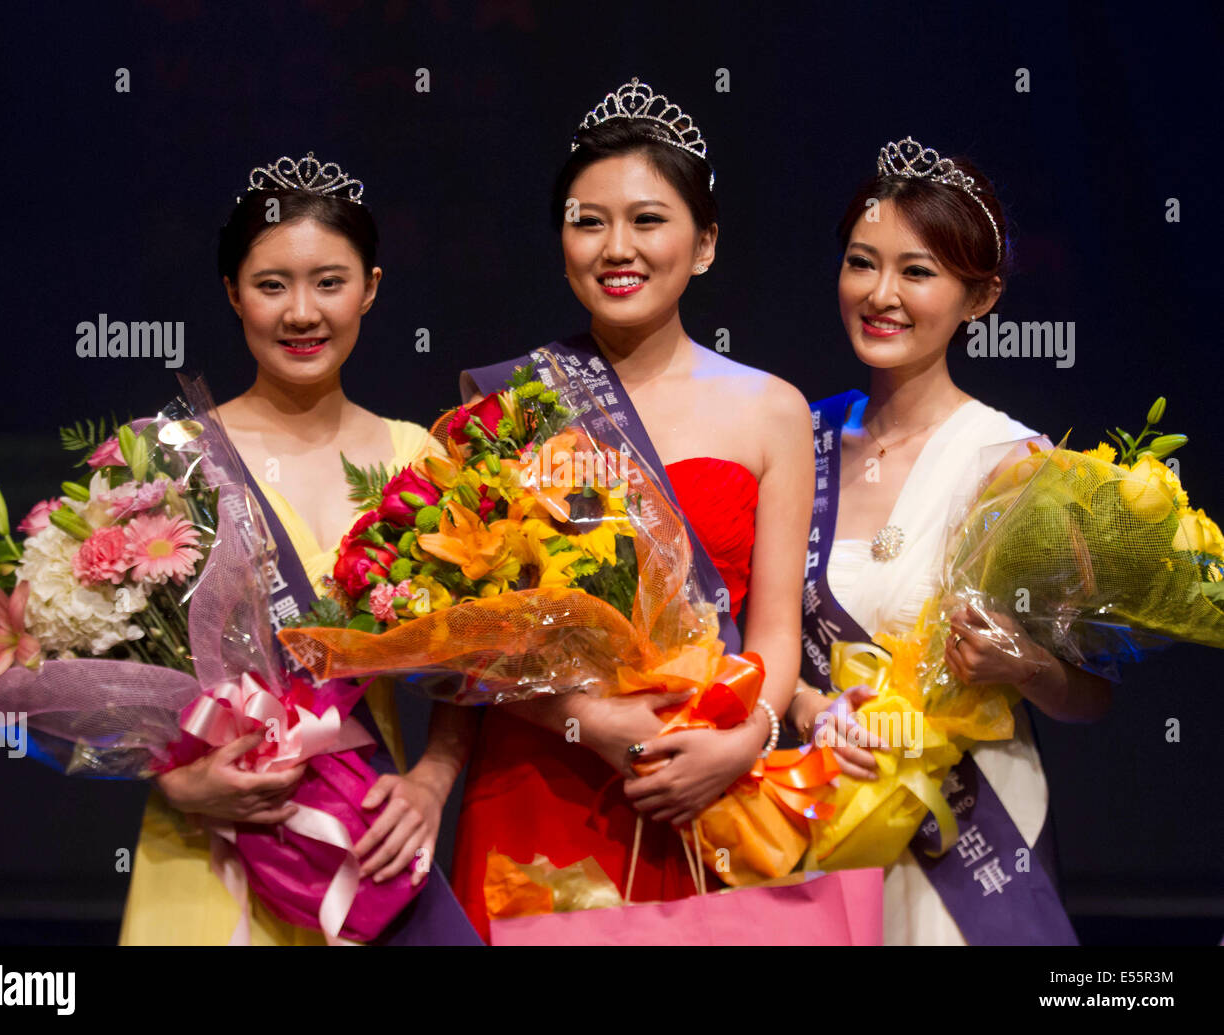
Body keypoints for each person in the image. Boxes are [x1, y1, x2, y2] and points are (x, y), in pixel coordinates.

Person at [447, 78, 816, 941]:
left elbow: (775, 639)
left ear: (706, 243)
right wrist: (591, 720)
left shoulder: (772, 410)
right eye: (589, 221)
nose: (618, 247)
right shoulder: (506, 403)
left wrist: (743, 742)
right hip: (539, 789)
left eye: (649, 220)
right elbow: (463, 645)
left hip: (708, 788)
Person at [119, 153, 476, 945]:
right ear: (232, 295)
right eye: (271, 284)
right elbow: (112, 665)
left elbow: (475, 668)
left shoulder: (418, 458)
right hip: (206, 839)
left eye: (330, 281)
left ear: (372, 289)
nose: (301, 312)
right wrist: (176, 779)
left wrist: (429, 781)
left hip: (357, 836)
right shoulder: (171, 456)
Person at [791, 136, 1111, 945]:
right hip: (827, 817)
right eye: (863, 263)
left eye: (918, 271)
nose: (881, 294)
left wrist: (1025, 666)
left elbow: (1091, 692)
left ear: (982, 296)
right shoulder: (800, 437)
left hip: (967, 847)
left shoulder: (1015, 463)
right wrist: (807, 707)